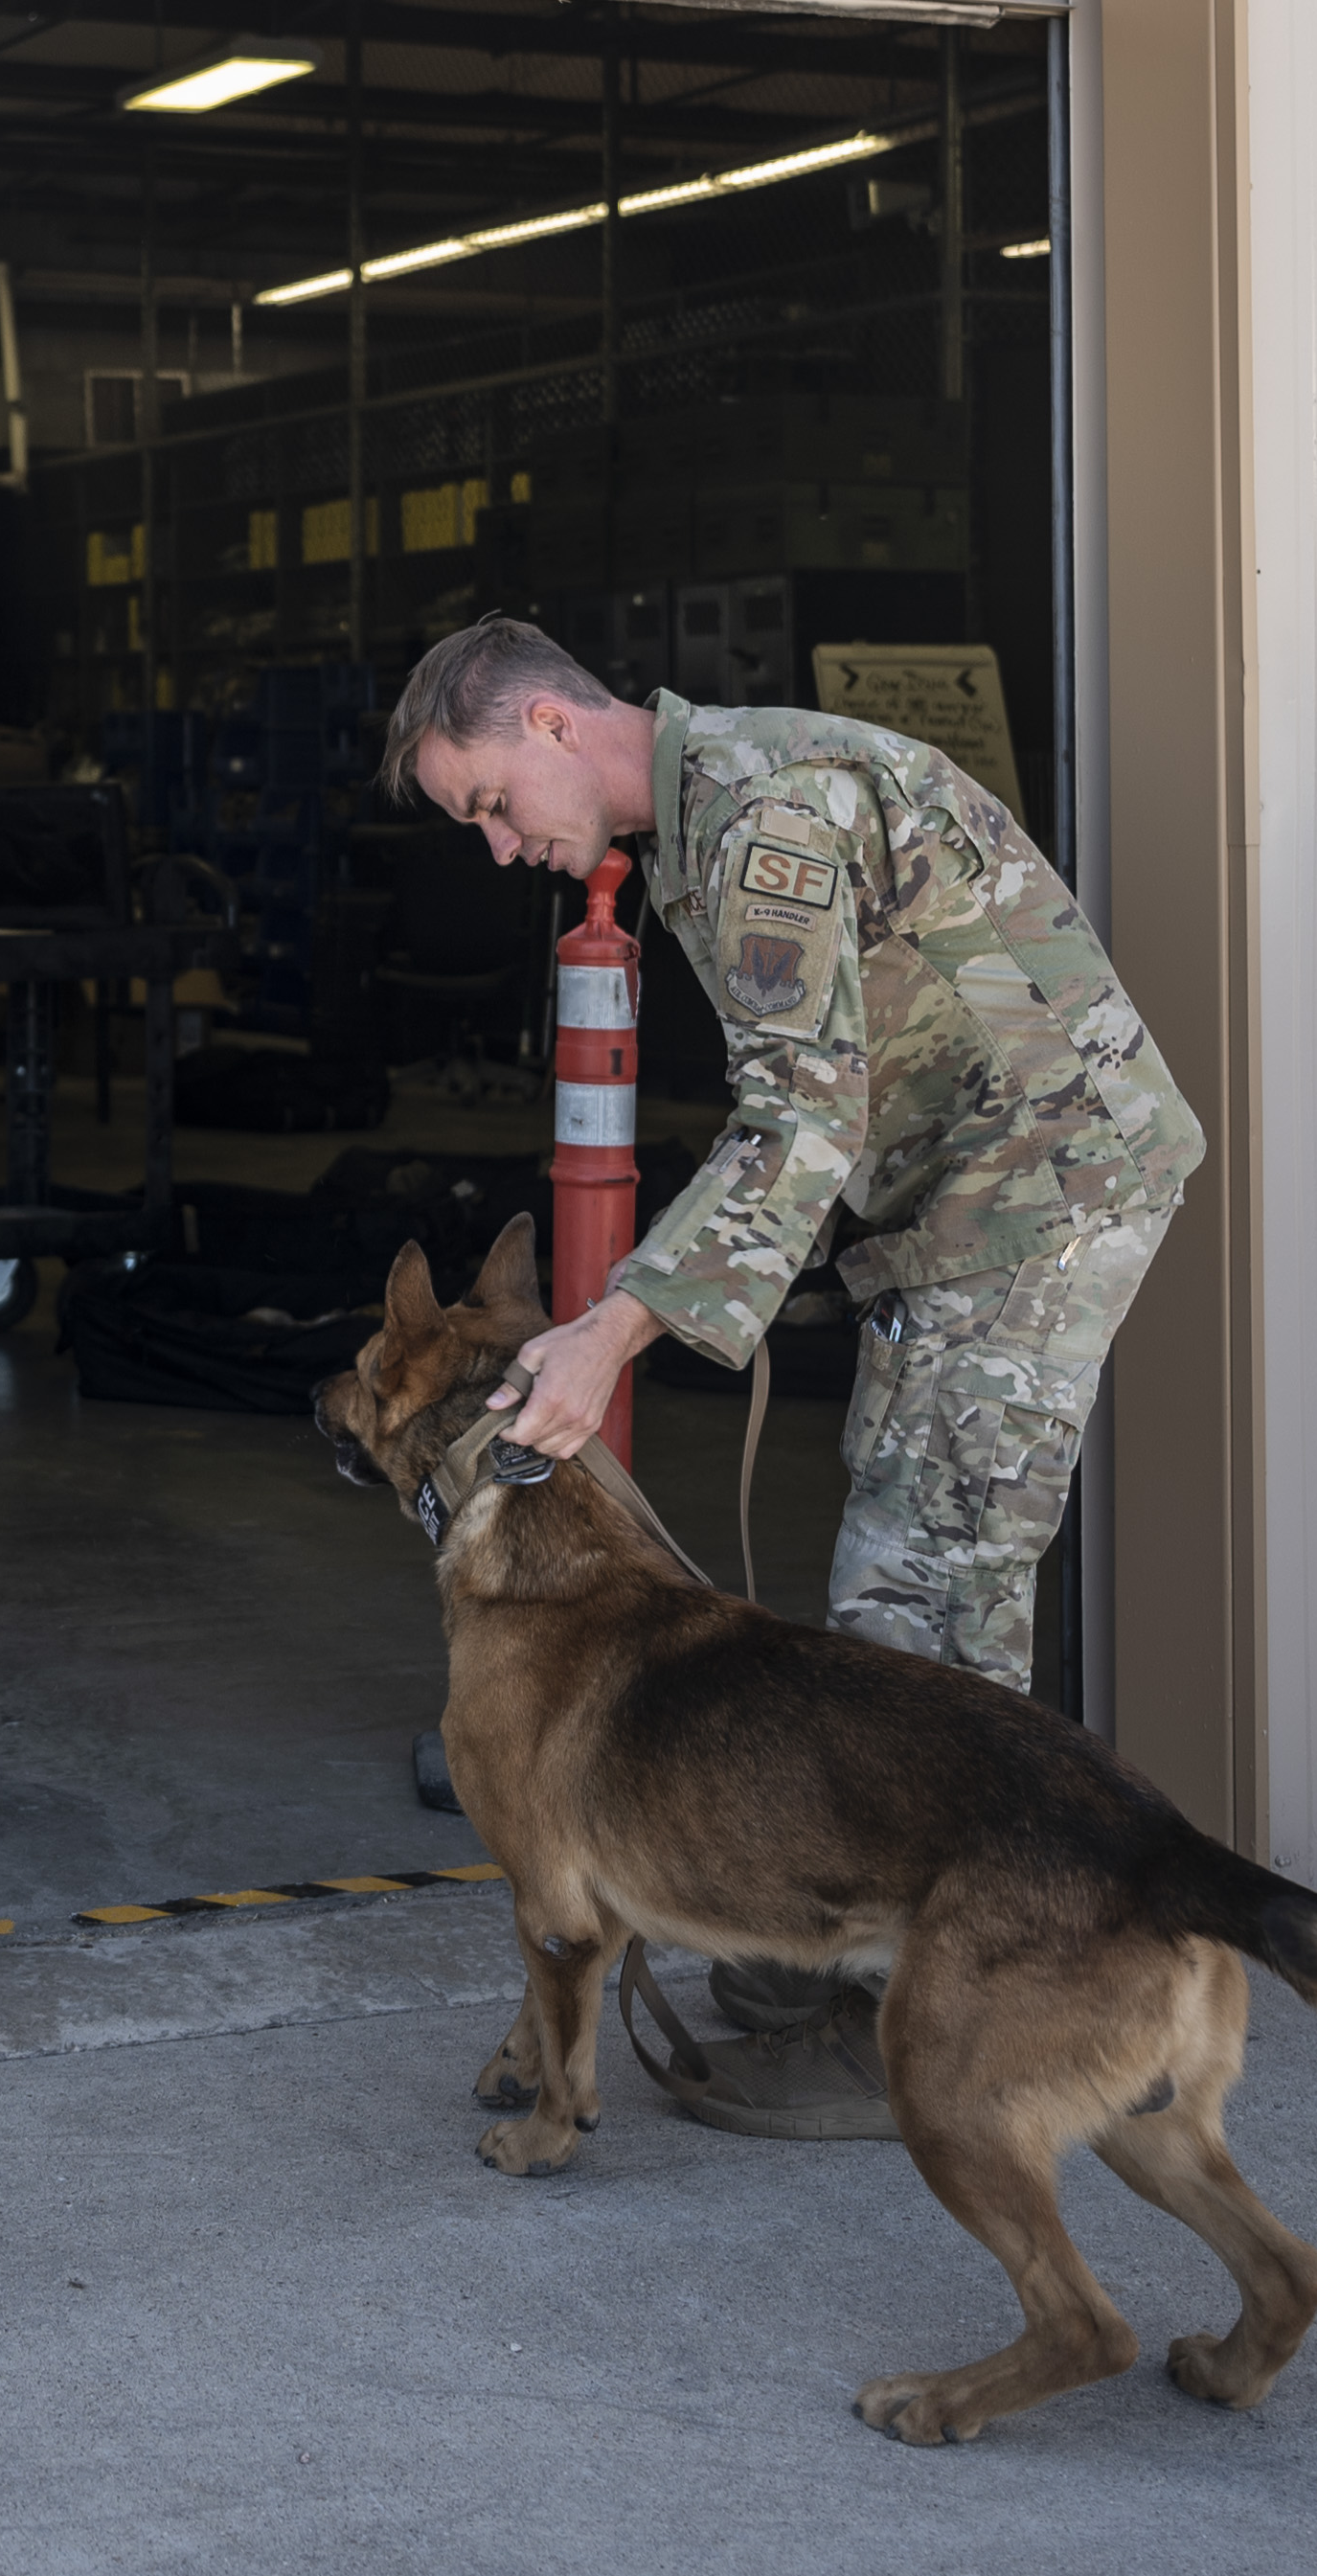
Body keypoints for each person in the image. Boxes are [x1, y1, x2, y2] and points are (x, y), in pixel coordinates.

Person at [382, 612, 1203, 2138]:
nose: (498, 848)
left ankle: (915, 2026)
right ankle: (847, 1949)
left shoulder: (759, 816)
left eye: (490, 803)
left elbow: (802, 1121)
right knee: (896, 1586)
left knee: (926, 1605)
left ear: (552, 725)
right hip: (961, 1207)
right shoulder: (713, 814)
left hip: (1036, 1200)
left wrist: (610, 1330)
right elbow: (821, 1092)